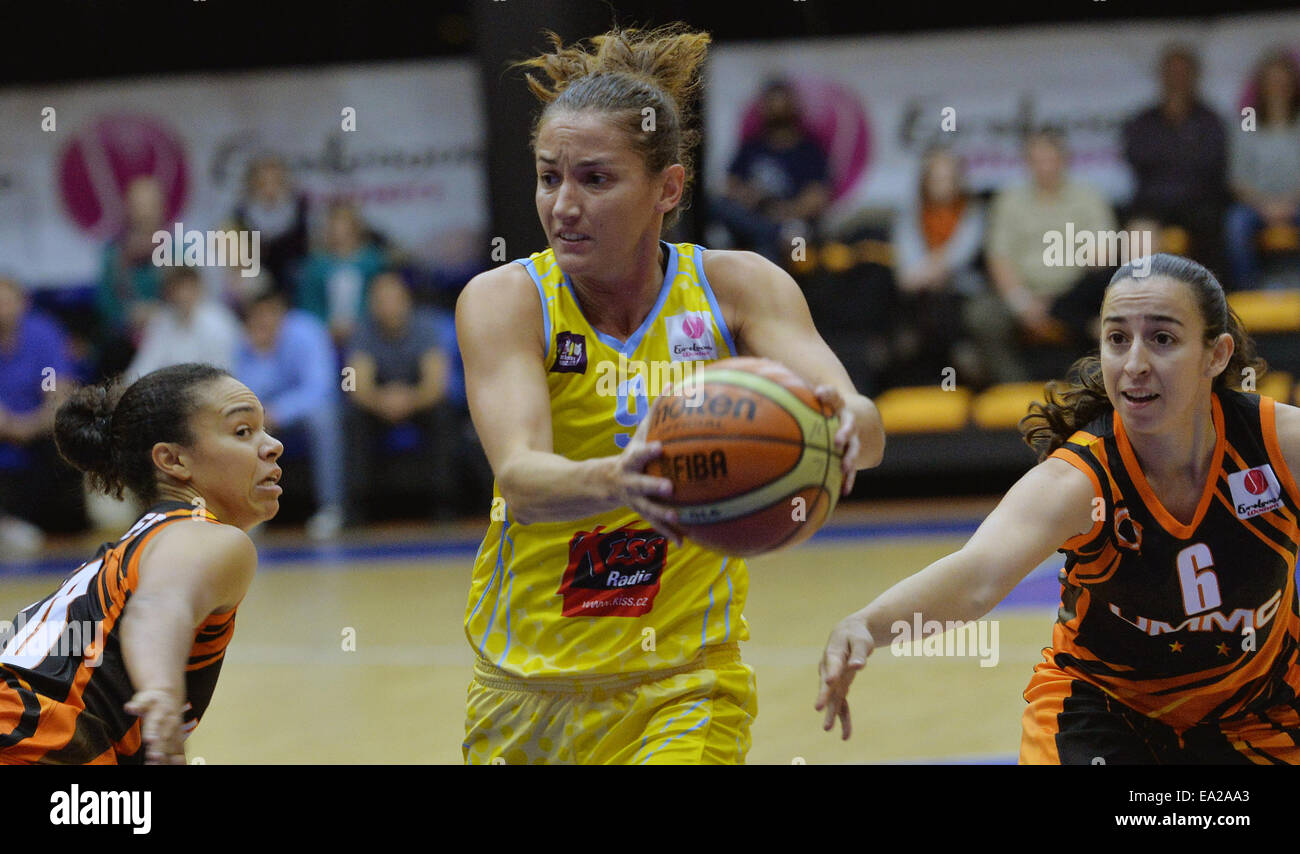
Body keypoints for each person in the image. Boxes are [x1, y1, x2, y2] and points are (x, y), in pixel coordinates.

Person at [456, 24, 884, 765]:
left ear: (669, 188)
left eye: (595, 179)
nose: (563, 204)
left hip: (687, 679)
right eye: (548, 176)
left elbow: (864, 426)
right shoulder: (505, 301)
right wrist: (625, 477)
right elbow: (522, 480)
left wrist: (844, 425)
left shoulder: (737, 287)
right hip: (526, 686)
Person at [817, 253, 1300, 764]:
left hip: (1260, 709)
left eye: (1162, 339)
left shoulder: (1279, 443)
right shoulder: (1080, 480)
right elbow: (977, 577)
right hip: (1105, 713)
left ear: (1216, 354)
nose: (1134, 363)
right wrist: (866, 625)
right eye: (1117, 339)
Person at [0, 363, 283, 764]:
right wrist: (161, 691)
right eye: (242, 431)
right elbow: (158, 608)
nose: (273, 445)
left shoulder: (142, 544)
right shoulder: (211, 538)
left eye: (265, 428)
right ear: (173, 460)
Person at [982, 129, 1119, 380]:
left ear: (1064, 160)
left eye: (1050, 159)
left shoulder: (1088, 197)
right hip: (1021, 295)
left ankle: (1092, 384)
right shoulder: (1009, 200)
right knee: (982, 316)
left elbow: (1103, 254)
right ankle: (1015, 387)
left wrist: (1060, 300)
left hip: (1075, 293)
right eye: (1037, 160)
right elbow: (998, 258)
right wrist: (1023, 302)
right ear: (1028, 163)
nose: (1045, 167)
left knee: (1110, 314)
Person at [343, 270, 456, 525]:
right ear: (372, 304)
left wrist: (408, 400)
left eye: (393, 299)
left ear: (407, 301)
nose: (388, 307)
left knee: (443, 413)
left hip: (419, 402)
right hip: (378, 405)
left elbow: (436, 385)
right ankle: (358, 507)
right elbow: (356, 386)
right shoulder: (362, 332)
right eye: (381, 300)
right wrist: (383, 402)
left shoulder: (427, 328)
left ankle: (444, 502)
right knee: (353, 418)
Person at [234, 288, 344, 540]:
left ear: (282, 314)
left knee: (323, 420)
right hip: (266, 415)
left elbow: (320, 388)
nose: (263, 322)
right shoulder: (246, 342)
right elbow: (240, 393)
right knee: (239, 427)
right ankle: (250, 510)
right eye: (256, 317)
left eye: (269, 315)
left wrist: (280, 411)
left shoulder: (307, 331)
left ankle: (331, 508)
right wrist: (262, 354)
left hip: (305, 412)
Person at [1122, 45, 1230, 281]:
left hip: (1199, 204)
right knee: (1137, 237)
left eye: (1183, 72)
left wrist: (1170, 158)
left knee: (1217, 226)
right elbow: (1137, 159)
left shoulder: (1210, 119)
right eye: (1172, 72)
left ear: (1194, 76)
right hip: (1153, 203)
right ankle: (1142, 299)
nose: (1177, 79)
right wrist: (1183, 153)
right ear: (1162, 76)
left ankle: (1211, 301)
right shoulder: (1143, 121)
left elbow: (1212, 164)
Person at [889, 145, 990, 386]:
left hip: (961, 288)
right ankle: (937, 368)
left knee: (940, 299)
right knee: (920, 299)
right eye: (936, 178)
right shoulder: (910, 213)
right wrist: (924, 273)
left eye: (949, 178)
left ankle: (955, 369)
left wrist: (934, 269)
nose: (943, 184)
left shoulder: (973, 210)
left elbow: (962, 252)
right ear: (925, 180)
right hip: (917, 290)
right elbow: (905, 257)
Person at [710, 79, 831, 264]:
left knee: (792, 237)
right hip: (752, 217)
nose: (777, 109)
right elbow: (729, 186)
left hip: (792, 223)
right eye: (772, 104)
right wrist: (750, 196)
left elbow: (817, 197)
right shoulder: (751, 148)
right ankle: (770, 233)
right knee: (714, 205)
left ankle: (771, 236)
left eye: (782, 103)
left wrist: (785, 211)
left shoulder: (809, 151)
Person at [1226, 49, 1300, 290]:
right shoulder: (1248, 122)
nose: (1278, 87)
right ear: (1261, 85)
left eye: (1284, 82)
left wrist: (1289, 203)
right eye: (1272, 81)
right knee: (1235, 224)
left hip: (1296, 202)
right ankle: (1248, 294)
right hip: (1255, 206)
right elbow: (1236, 178)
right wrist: (1266, 206)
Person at [126, 266, 242, 381]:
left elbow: (222, 375)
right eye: (176, 290)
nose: (182, 295)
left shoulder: (219, 324)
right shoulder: (162, 321)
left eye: (187, 288)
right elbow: (145, 364)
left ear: (199, 288)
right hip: (167, 390)